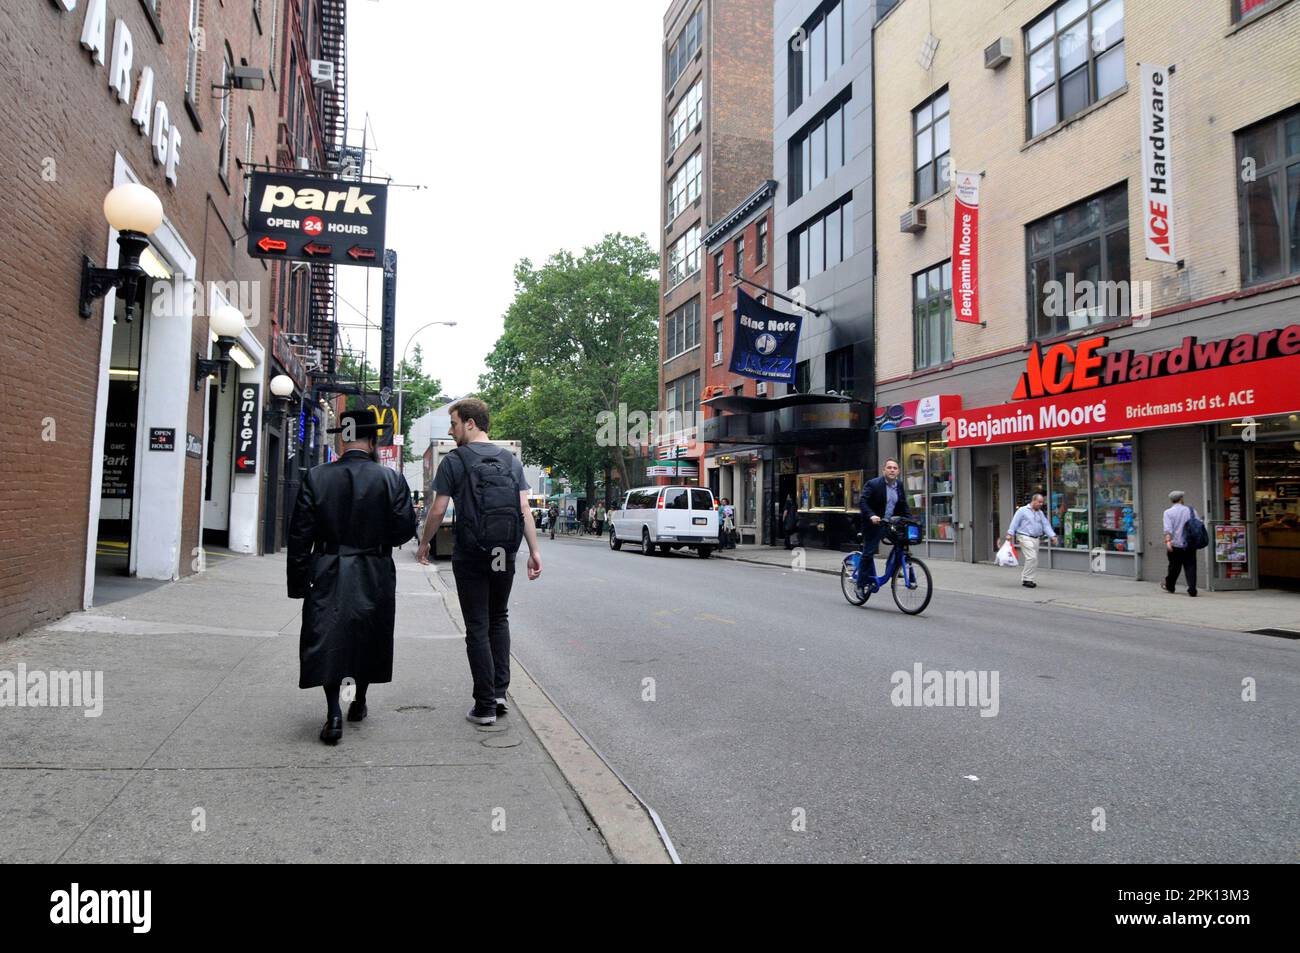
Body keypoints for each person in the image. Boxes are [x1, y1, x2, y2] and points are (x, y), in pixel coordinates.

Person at [287, 409, 418, 745]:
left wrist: (298, 582)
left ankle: (334, 713)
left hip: (329, 567)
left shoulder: (316, 477)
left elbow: (300, 535)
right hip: (374, 569)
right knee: (367, 636)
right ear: (372, 441)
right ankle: (357, 701)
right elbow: (404, 530)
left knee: (329, 638)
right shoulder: (391, 479)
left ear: (340, 438)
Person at [416, 398, 541, 725]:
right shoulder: (511, 461)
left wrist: (424, 543)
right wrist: (535, 551)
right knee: (499, 617)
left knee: (477, 625)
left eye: (454, 423)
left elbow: (438, 510)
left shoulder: (455, 461)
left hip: (472, 553)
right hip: (504, 552)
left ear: (470, 423)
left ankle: (484, 705)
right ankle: (499, 693)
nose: (450, 429)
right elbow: (524, 509)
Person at [855, 460, 913, 598]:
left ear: (898, 471)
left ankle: (894, 568)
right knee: (868, 553)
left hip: (889, 523)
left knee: (901, 542)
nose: (892, 470)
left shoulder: (898, 485)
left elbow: (903, 505)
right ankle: (860, 584)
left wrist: (910, 520)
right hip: (873, 523)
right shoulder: (873, 484)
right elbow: (863, 502)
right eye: (889, 468)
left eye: (895, 468)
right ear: (884, 471)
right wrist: (872, 515)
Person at [1005, 493, 1059, 589]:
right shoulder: (1022, 510)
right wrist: (1010, 534)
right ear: (1033, 501)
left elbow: (1045, 525)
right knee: (1032, 557)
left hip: (1035, 538)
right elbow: (1014, 522)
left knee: (1034, 559)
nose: (1041, 504)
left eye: (1042, 502)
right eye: (1039, 502)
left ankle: (1029, 578)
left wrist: (1052, 536)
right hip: (1024, 536)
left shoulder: (1040, 513)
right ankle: (1027, 579)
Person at [1162, 490, 1198, 597]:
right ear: (1181, 499)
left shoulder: (1168, 512)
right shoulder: (1191, 510)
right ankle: (1192, 589)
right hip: (1190, 545)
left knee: (1174, 567)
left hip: (1175, 545)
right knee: (1191, 567)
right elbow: (1198, 524)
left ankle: (1170, 586)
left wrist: (1168, 542)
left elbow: (1168, 529)